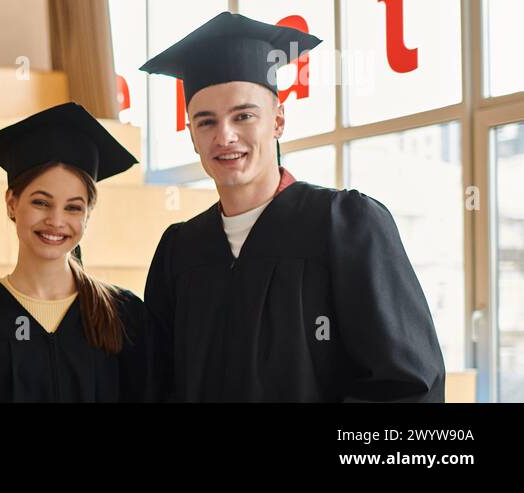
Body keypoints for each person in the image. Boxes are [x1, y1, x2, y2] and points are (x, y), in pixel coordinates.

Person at [140, 12, 445, 402]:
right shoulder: (180, 251)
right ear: (192, 136)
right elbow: (157, 382)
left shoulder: (343, 226)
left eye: (243, 116)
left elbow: (408, 385)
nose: (225, 136)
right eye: (206, 122)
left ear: (278, 120)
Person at [0, 102, 158, 402]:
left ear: (88, 214)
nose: (56, 221)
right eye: (41, 202)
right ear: (12, 203)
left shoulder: (125, 316)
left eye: (73, 207)